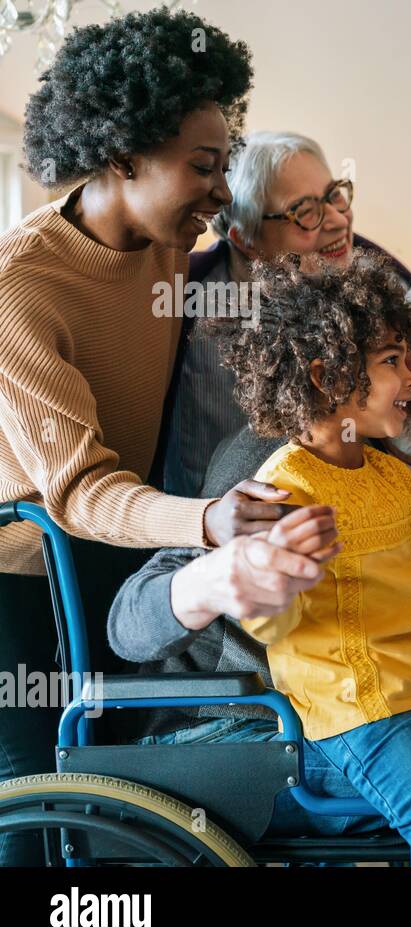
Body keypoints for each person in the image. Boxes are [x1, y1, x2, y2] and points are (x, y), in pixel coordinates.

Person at [0, 8, 294, 867]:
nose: (218, 190)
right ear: (122, 157)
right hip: (21, 567)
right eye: (201, 168)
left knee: (128, 803)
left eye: (224, 167)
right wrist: (210, 521)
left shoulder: (169, 243)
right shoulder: (22, 288)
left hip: (116, 544)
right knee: (40, 811)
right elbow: (80, 488)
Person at [207, 253, 411, 865]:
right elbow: (269, 623)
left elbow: (407, 604)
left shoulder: (393, 478)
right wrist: (282, 582)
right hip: (360, 711)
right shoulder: (282, 487)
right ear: (328, 377)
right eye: (394, 362)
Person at [160, 131, 411, 497]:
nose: (339, 222)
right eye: (305, 212)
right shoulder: (195, 304)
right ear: (247, 239)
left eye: (334, 196)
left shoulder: (379, 279)